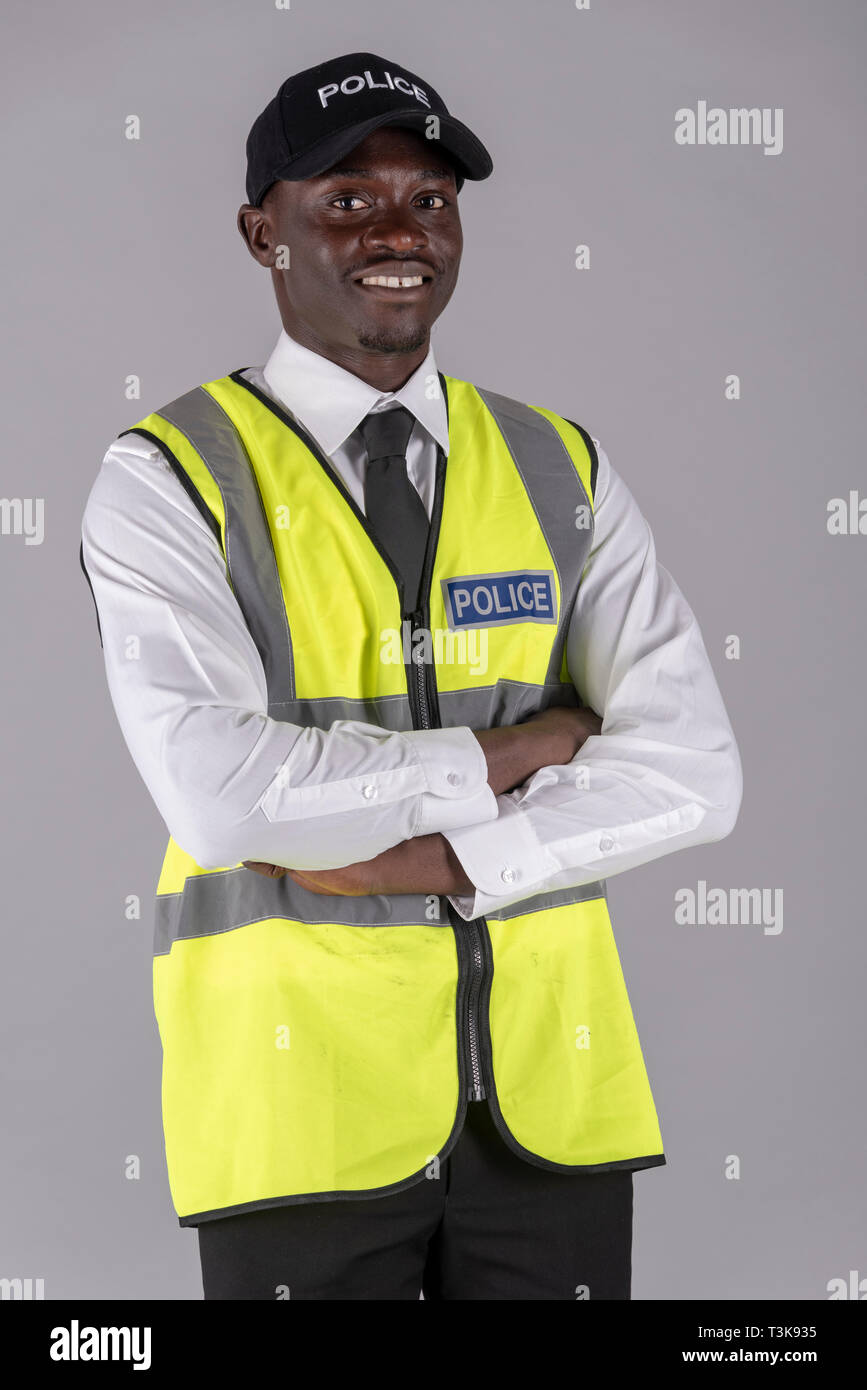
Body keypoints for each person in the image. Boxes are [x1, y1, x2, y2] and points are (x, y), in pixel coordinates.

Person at [79, 51, 742, 1300]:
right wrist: (514, 751)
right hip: (300, 1108)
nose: (400, 233)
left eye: (430, 200)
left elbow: (697, 776)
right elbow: (223, 798)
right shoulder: (168, 476)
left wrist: (439, 860)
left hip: (556, 1106)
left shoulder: (559, 463)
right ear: (259, 230)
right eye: (347, 200)